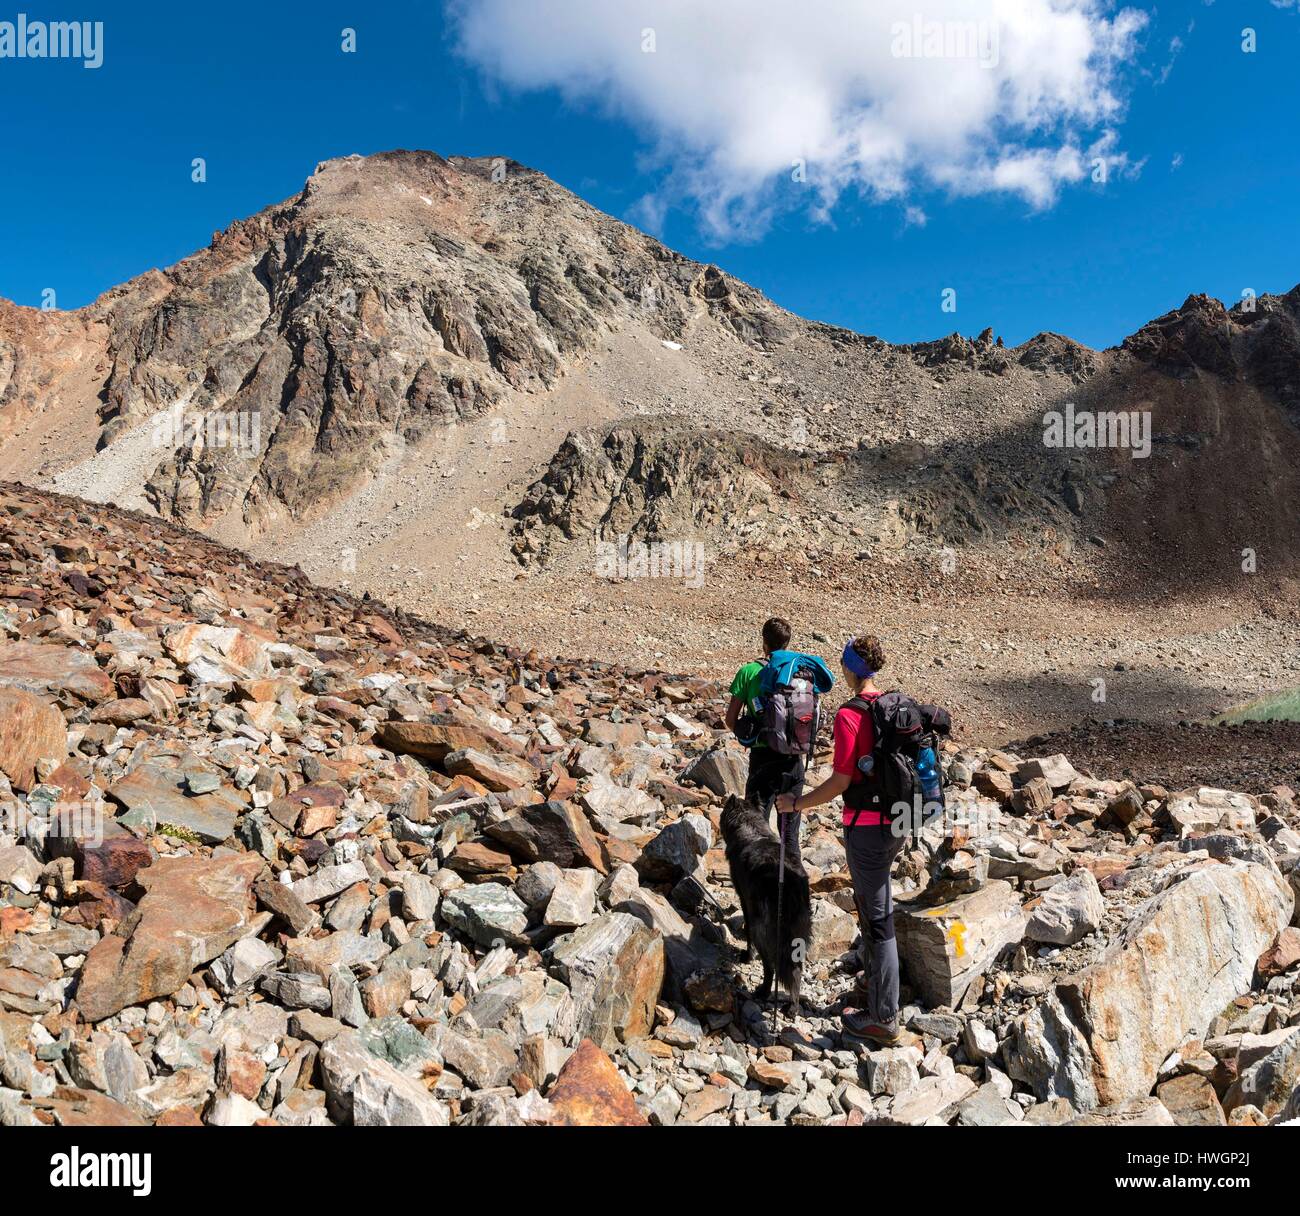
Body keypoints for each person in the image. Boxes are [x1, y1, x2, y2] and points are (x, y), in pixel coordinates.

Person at [776, 633, 902, 1044]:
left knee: (879, 919)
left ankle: (883, 1018)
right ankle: (872, 990)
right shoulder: (891, 706)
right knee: (874, 907)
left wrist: (796, 804)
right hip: (896, 821)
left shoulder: (851, 714)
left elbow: (841, 780)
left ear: (849, 668)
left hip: (866, 825)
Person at [724, 617, 833, 865]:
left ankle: (760, 888)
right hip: (795, 760)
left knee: (755, 830)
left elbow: (730, 719)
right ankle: (796, 891)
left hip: (763, 759)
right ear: (788, 642)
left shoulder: (748, 672)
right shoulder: (800, 672)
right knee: (790, 833)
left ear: (763, 642)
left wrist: (750, 733)